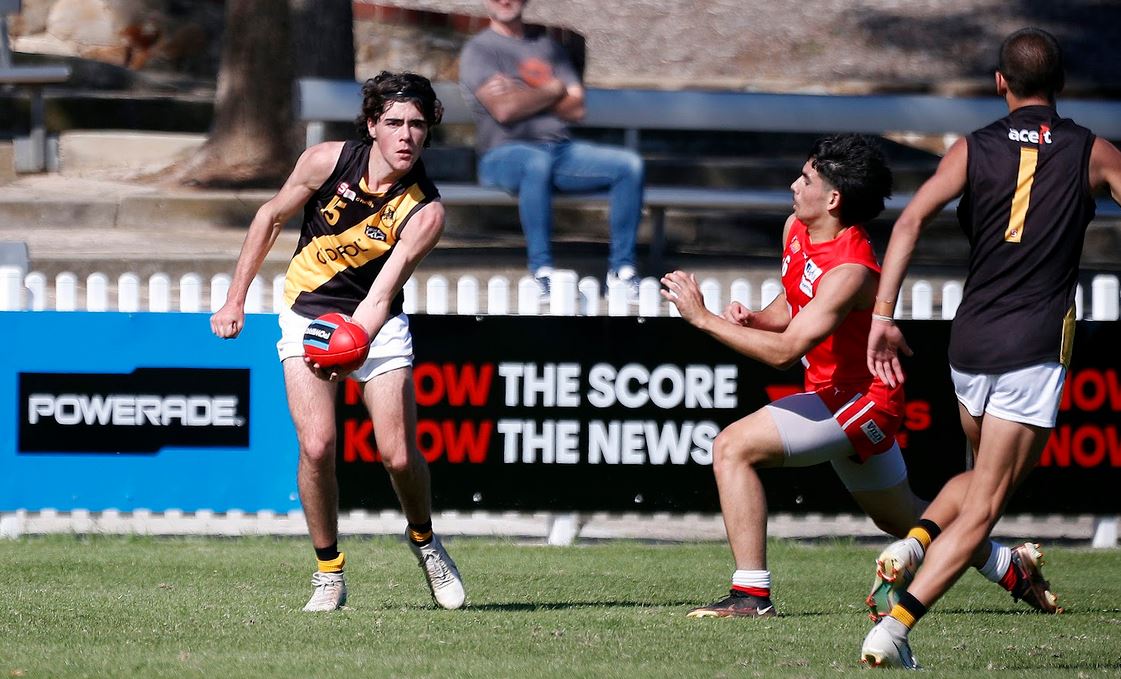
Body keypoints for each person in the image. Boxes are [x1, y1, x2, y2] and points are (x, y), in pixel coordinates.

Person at [662, 134, 1045, 621]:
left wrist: (701, 318)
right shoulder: (795, 229)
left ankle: (751, 596)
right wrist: (756, 318)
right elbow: (794, 306)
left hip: (864, 400)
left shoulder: (851, 270)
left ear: (834, 199)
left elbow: (785, 353)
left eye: (805, 179)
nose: (793, 185)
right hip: (835, 395)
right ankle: (1009, 566)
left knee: (732, 447)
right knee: (901, 518)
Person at [861, 28, 1121, 669]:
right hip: (1033, 344)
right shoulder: (1094, 152)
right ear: (1062, 86)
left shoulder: (969, 149)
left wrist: (882, 317)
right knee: (986, 505)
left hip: (969, 342)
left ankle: (919, 542)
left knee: (980, 482)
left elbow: (912, 218)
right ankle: (894, 628)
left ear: (999, 83)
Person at [210, 72, 466, 613]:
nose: (405, 136)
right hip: (307, 314)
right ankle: (329, 570)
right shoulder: (326, 160)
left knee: (397, 456)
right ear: (372, 125)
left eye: (417, 125)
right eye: (393, 122)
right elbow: (268, 217)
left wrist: (350, 345)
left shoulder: (427, 211)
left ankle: (423, 538)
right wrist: (236, 298)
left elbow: (379, 296)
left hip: (375, 325)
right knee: (318, 446)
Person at [458, 0, 645, 300]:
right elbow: (503, 109)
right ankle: (541, 272)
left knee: (628, 166)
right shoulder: (479, 51)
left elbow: (576, 108)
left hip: (559, 151)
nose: (505, 1)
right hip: (501, 155)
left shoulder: (548, 48)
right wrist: (553, 89)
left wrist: (518, 91)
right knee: (535, 163)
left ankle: (621, 272)